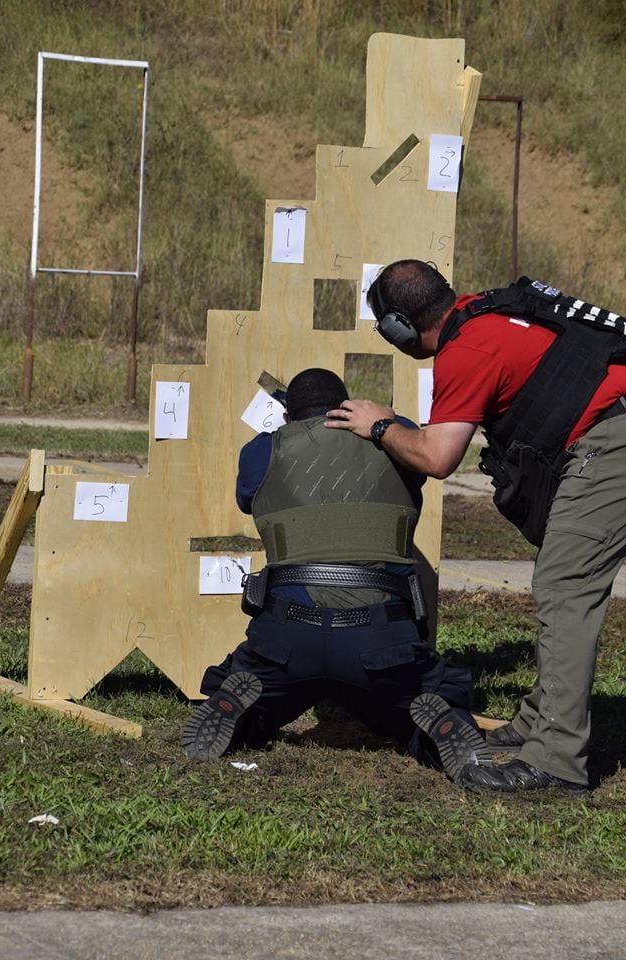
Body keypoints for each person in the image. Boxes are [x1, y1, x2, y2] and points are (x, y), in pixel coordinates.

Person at [325, 259, 626, 795]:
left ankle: (556, 760)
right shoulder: (488, 311)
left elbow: (439, 456)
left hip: (610, 440)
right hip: (609, 426)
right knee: (561, 579)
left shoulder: (465, 351)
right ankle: (539, 722)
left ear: (398, 325)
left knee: (564, 586)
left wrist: (380, 424)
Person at [181, 368, 492, 782]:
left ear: (289, 416)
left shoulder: (261, 451)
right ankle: (441, 724)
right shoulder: (394, 441)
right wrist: (388, 421)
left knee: (254, 692)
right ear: (347, 408)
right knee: (420, 700)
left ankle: (234, 707)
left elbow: (246, 498)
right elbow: (423, 453)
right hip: (381, 638)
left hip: (285, 637)